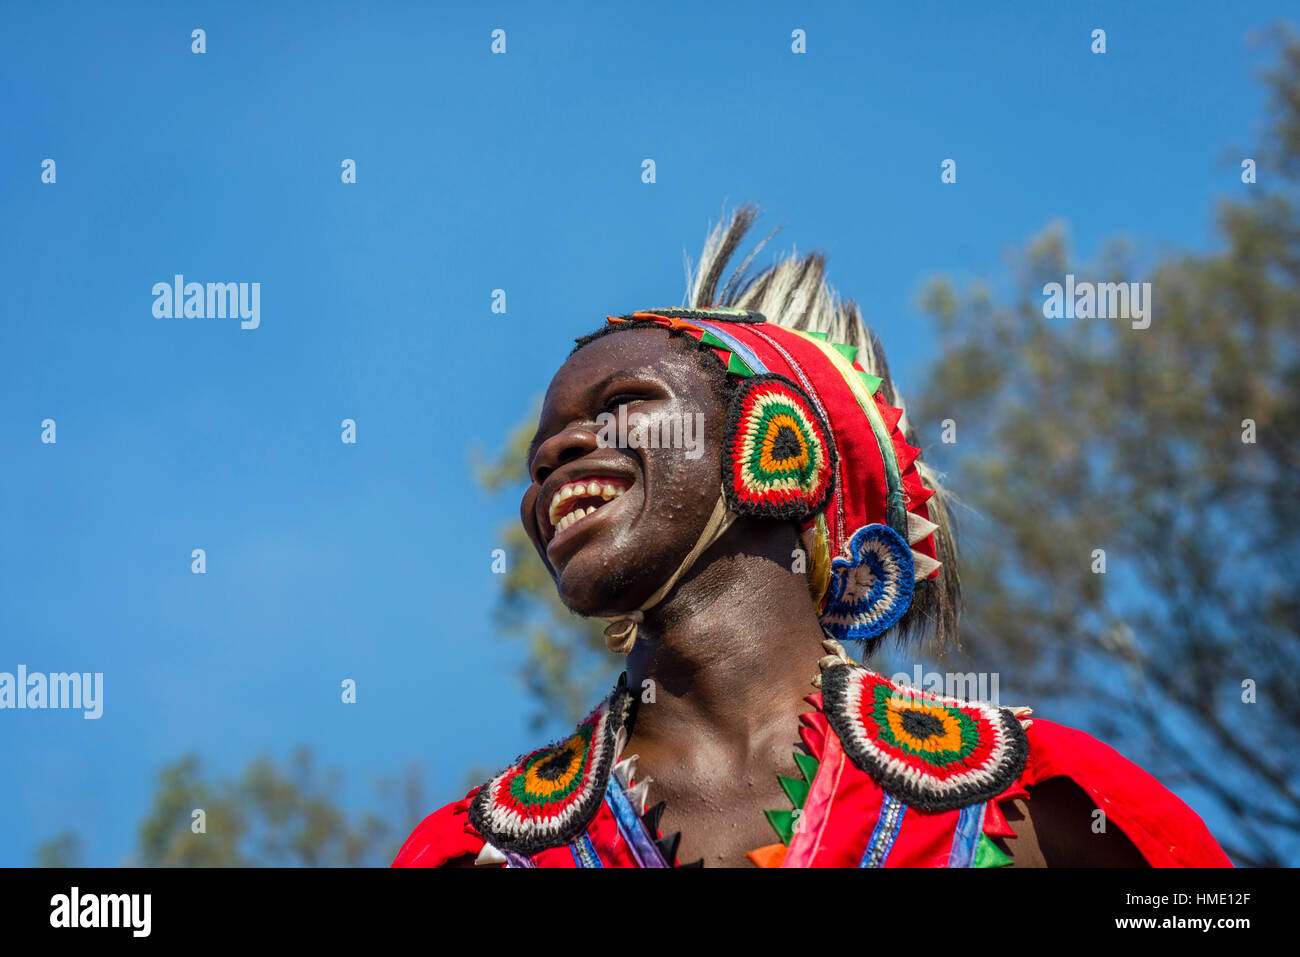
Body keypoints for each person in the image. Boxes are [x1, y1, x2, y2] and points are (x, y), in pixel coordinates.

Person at [394, 207, 1232, 868]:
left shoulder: (1042, 802)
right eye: (547, 441)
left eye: (621, 405)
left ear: (774, 444)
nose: (553, 453)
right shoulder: (481, 850)